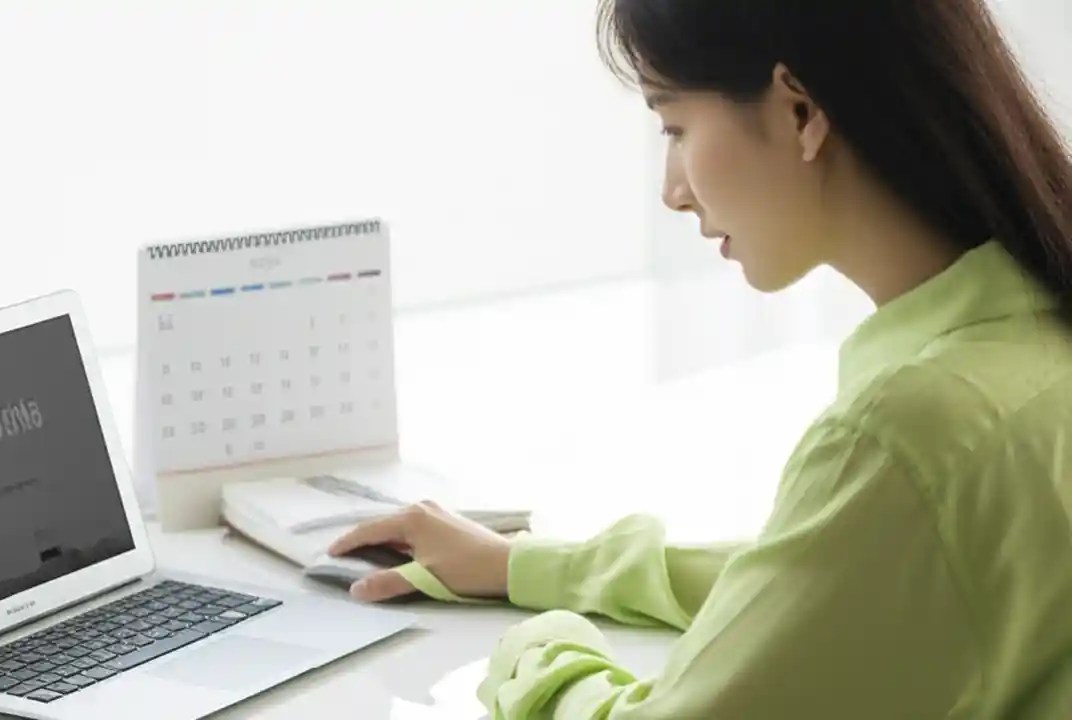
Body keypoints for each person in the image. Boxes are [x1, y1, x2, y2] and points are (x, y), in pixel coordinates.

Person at [328, 1, 1072, 717]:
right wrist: (523, 566)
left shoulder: (911, 433)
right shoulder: (1029, 345)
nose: (672, 192)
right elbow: (819, 585)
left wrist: (531, 650)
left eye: (675, 126)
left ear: (800, 112)